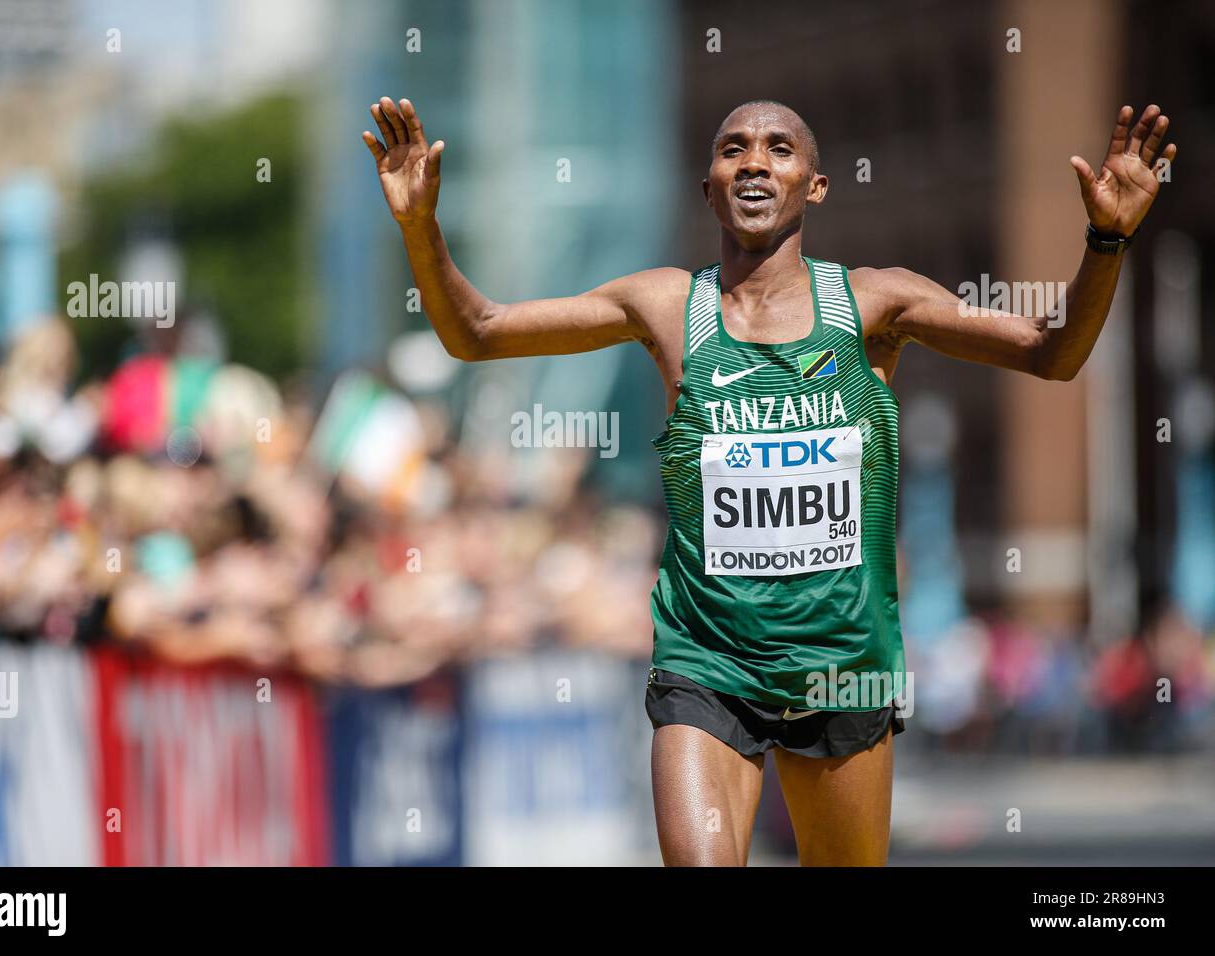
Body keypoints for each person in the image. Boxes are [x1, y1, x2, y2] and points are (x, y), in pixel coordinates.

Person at [363, 95, 1176, 866]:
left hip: (843, 662)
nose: (754, 163)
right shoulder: (665, 306)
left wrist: (1104, 244)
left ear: (814, 186)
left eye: (778, 149)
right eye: (732, 150)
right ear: (708, 187)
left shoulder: (873, 305)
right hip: (707, 664)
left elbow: (1051, 352)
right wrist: (419, 227)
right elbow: (479, 332)